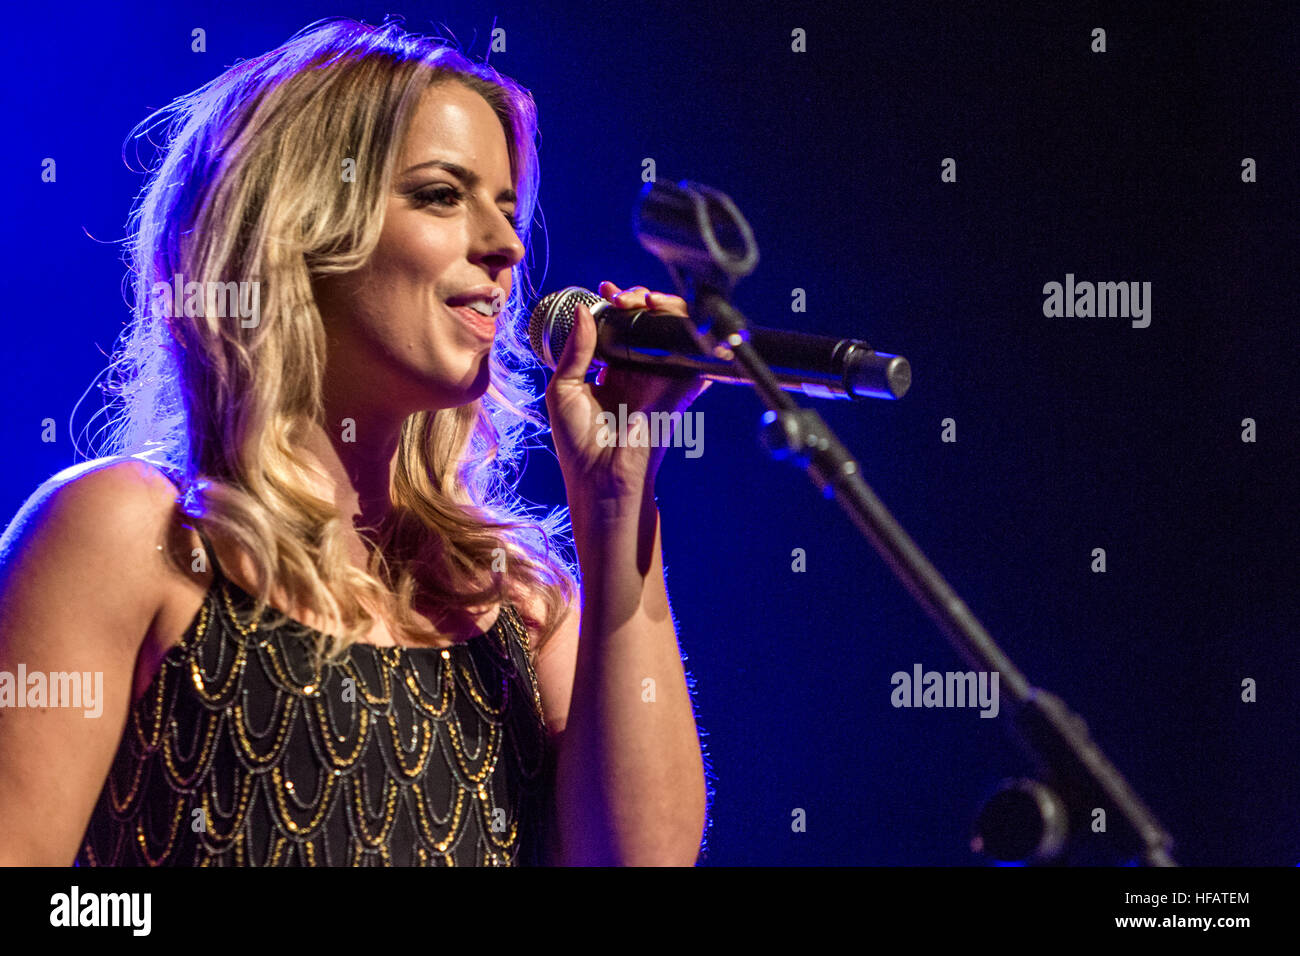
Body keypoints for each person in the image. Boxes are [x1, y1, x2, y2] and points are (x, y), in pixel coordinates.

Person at [0, 17, 709, 866]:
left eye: (508, 207)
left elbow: (644, 859)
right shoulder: (136, 537)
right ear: (297, 228)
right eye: (443, 195)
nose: (507, 244)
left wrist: (619, 505)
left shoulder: (518, 604)